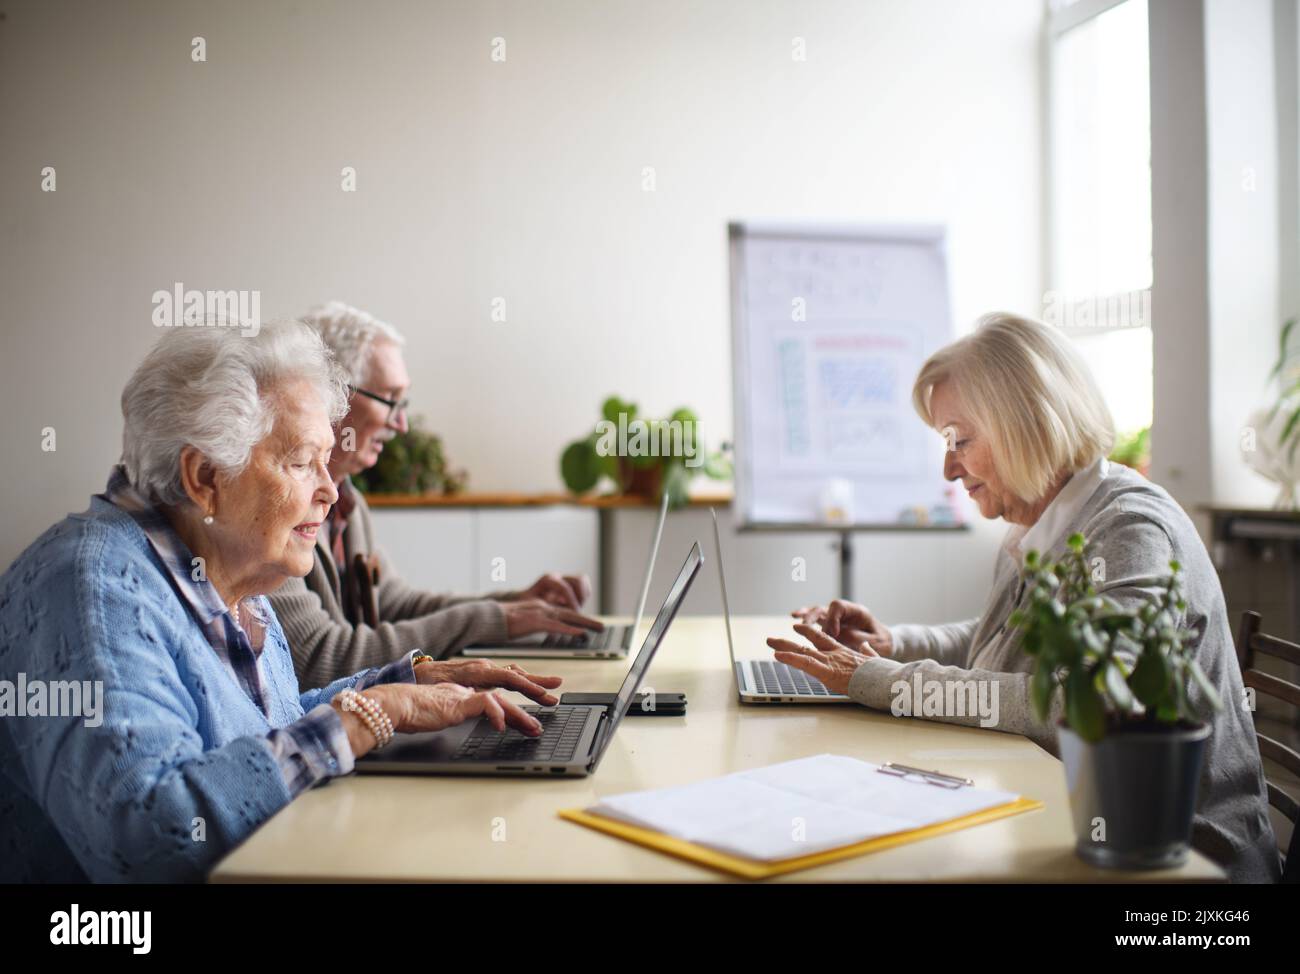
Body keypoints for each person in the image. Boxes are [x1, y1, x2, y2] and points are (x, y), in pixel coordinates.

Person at [0, 320, 561, 882]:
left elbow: (270, 730)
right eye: (300, 462)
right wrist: (369, 719)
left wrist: (408, 686)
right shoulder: (95, 591)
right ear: (205, 477)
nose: (331, 489)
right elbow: (150, 838)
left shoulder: (230, 566)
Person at [767, 312, 1282, 883]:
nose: (948, 467)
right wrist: (893, 643)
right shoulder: (1036, 521)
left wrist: (881, 681)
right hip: (1079, 816)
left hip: (1182, 865)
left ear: (1025, 422)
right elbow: (1003, 644)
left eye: (959, 440)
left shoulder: (1130, 529)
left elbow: (1089, 704)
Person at [270, 301, 602, 688]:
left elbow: (393, 606)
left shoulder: (348, 503)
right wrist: (491, 619)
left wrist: (512, 605)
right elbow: (320, 659)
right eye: (389, 398)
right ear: (331, 394)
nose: (402, 422)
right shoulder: (279, 508)